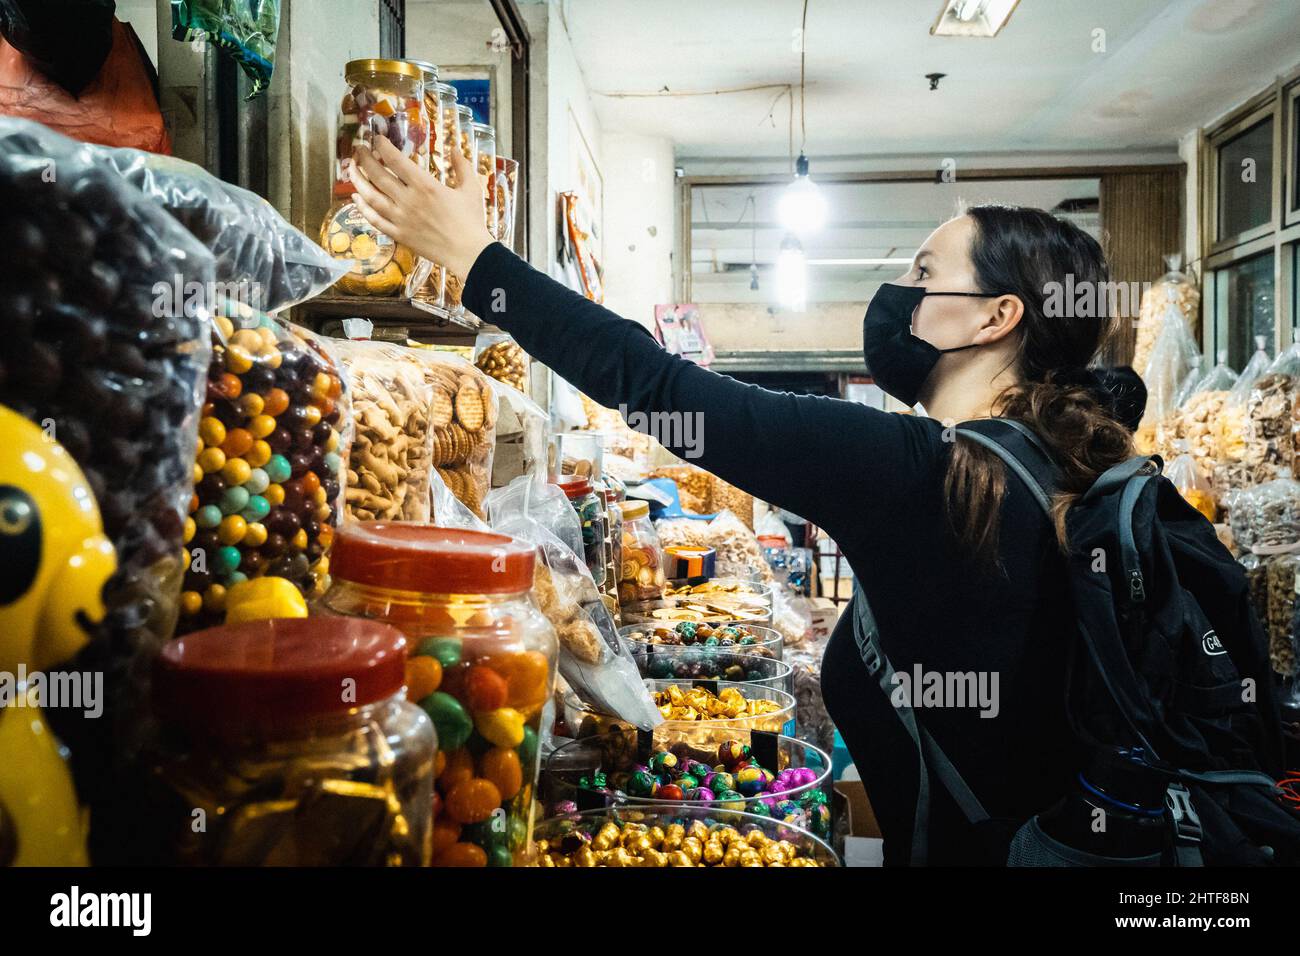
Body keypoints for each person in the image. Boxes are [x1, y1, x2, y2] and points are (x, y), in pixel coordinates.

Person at [351, 138, 1137, 865]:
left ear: (1000, 318)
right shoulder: (1045, 467)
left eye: (927, 275)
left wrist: (472, 257)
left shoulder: (921, 470)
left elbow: (660, 388)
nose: (900, 293)